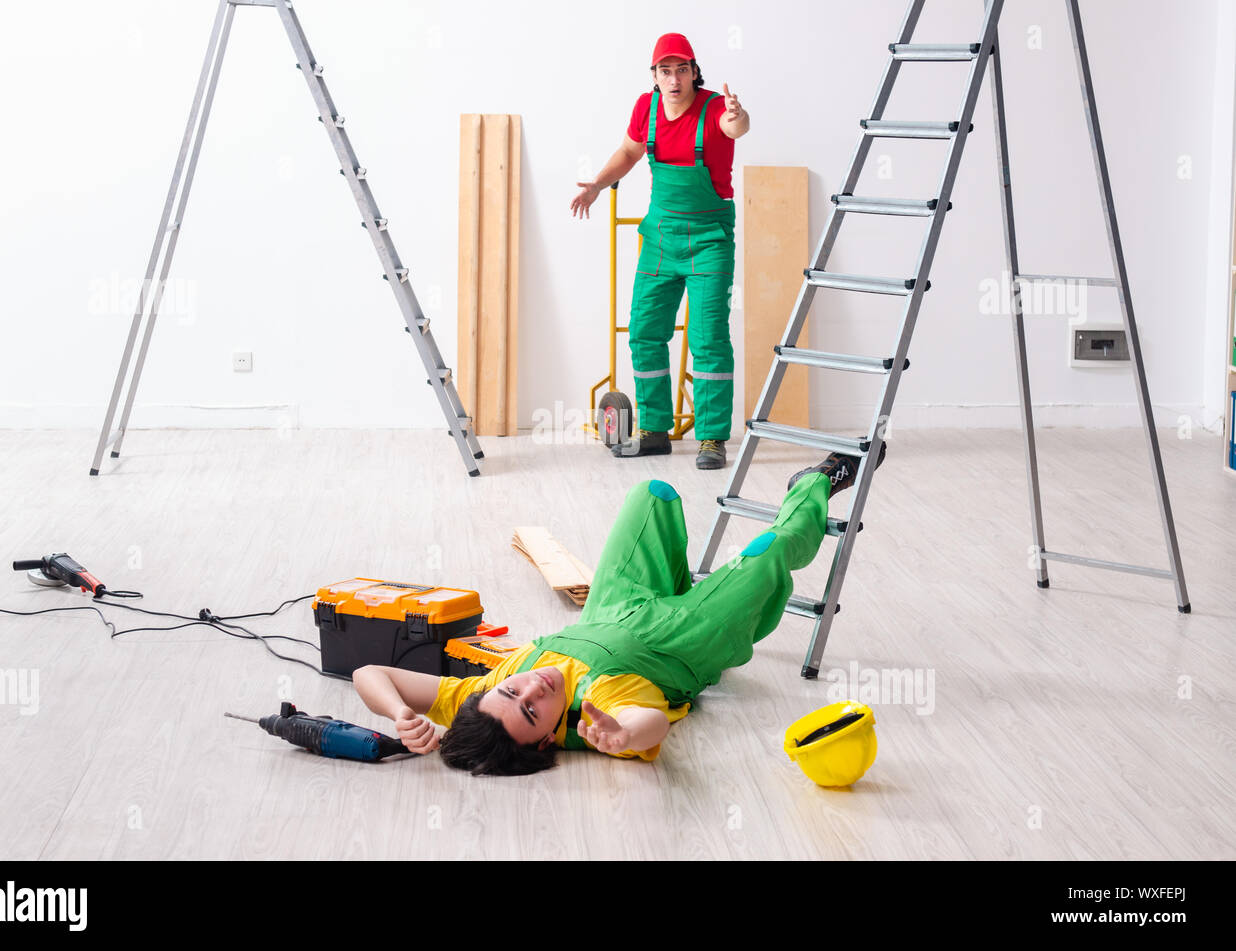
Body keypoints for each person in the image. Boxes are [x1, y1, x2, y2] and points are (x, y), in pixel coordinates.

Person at [351, 446, 887, 775]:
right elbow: (649, 724)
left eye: (512, 690)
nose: (533, 687)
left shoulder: (478, 698)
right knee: (766, 555)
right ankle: (815, 485)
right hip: (682, 640)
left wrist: (400, 714)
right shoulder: (595, 713)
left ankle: (677, 579)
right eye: (535, 710)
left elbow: (368, 672)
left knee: (652, 494)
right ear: (544, 740)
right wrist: (625, 738)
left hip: (614, 606)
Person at [570, 33, 750, 471]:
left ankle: (711, 438)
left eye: (682, 69)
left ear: (693, 72)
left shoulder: (713, 109)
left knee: (709, 339)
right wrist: (596, 183)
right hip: (660, 239)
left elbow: (736, 128)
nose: (674, 79)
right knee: (645, 333)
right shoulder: (645, 109)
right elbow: (631, 152)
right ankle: (654, 431)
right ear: (655, 75)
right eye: (665, 71)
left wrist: (738, 115)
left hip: (709, 241)